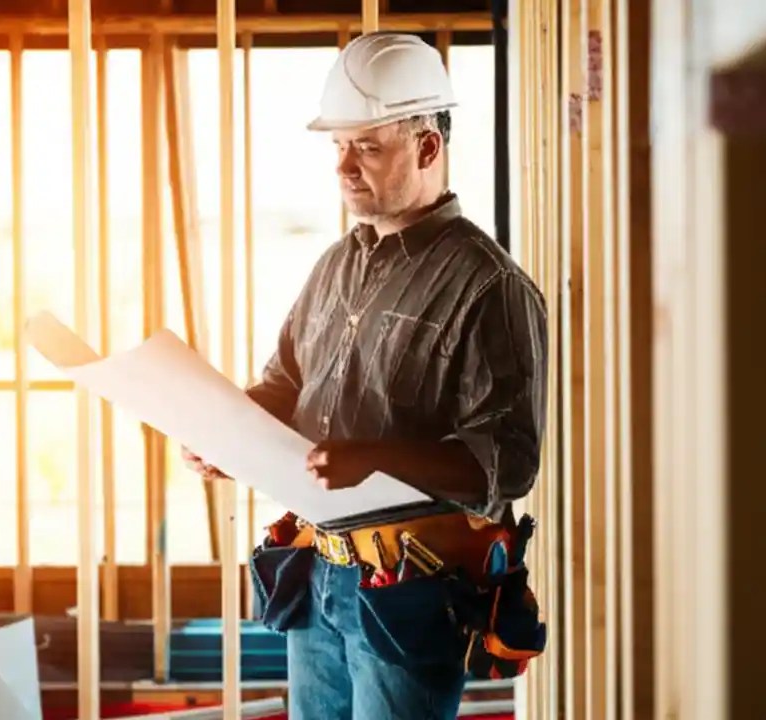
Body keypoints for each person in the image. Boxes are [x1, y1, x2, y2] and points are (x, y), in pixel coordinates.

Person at [182, 32, 548, 720]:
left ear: (428, 147)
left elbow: (507, 463)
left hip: (408, 593)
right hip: (319, 572)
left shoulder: (488, 285)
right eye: (339, 147)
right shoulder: (335, 266)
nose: (345, 168)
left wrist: (375, 459)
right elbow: (284, 386)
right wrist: (224, 433)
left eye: (368, 147)